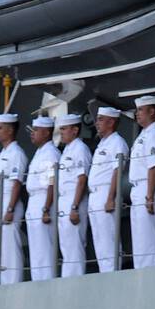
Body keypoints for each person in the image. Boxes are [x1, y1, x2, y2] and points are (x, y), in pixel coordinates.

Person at [128, 96, 155, 269]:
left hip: (148, 188)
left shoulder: (154, 134)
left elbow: (153, 167)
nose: (137, 114)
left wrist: (149, 196)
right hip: (139, 189)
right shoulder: (143, 135)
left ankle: (150, 273)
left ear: (152, 111)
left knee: (149, 240)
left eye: (141, 110)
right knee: (139, 241)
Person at [87, 107, 129, 272]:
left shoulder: (117, 142)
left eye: (101, 119)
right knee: (99, 240)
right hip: (95, 195)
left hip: (106, 193)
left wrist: (110, 197)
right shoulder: (102, 143)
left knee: (108, 239)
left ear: (111, 122)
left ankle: (112, 272)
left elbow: (117, 171)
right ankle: (105, 271)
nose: (97, 123)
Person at [0, 112, 28, 284]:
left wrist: (10, 208)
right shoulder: (2, 154)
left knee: (10, 248)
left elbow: (16, 183)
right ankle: (4, 283)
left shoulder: (16, 153)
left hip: (8, 203)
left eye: (0, 128)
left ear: (10, 130)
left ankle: (13, 283)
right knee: (1, 250)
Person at [24, 116, 61, 281]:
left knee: (44, 248)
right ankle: (37, 281)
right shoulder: (39, 153)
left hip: (44, 200)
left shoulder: (51, 153)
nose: (32, 134)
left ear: (46, 133)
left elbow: (52, 182)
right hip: (34, 201)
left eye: (36, 130)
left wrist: (46, 207)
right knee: (36, 249)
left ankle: (46, 282)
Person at [56, 113, 92, 276]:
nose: (61, 132)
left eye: (64, 129)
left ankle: (75, 279)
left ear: (75, 130)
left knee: (75, 245)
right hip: (64, 200)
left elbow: (82, 179)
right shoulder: (67, 150)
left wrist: (75, 206)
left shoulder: (80, 149)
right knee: (66, 246)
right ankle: (67, 279)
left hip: (74, 200)